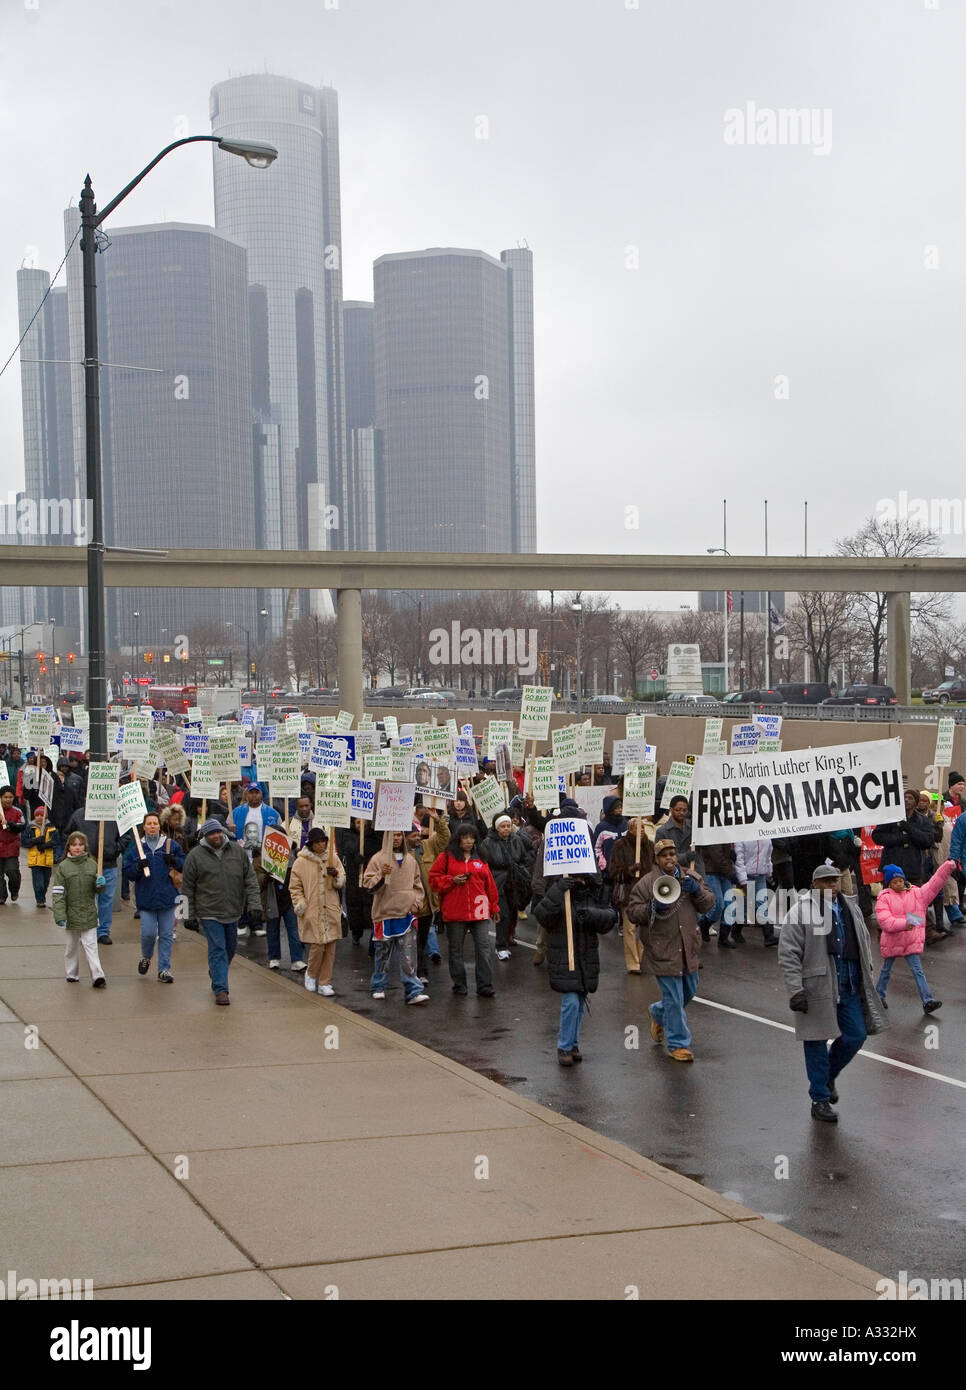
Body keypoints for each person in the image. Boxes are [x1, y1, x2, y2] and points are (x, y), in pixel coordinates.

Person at [778, 862, 888, 1123]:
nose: (832, 885)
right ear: (814, 884)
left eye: (835, 880)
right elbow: (788, 953)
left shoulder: (850, 907)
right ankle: (819, 1099)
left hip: (849, 985)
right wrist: (795, 990)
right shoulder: (800, 911)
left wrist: (868, 974)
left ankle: (827, 1078)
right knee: (815, 1041)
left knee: (856, 1035)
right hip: (816, 987)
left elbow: (863, 942)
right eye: (826, 881)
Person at [626, 838, 714, 1062]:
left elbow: (709, 904)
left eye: (672, 854)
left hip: (687, 948)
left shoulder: (690, 877)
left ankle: (658, 1012)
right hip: (662, 949)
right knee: (674, 999)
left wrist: (697, 891)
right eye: (664, 855)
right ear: (657, 859)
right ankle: (678, 1044)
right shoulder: (647, 883)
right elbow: (633, 912)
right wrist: (652, 907)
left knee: (688, 991)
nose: (669, 858)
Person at [534, 872, 617, 1066]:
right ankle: (564, 1046)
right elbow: (542, 915)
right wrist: (558, 890)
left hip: (586, 958)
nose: (578, 879)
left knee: (579, 1003)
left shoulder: (593, 892)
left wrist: (591, 915)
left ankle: (573, 1043)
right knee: (571, 1002)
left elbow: (610, 917)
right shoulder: (558, 890)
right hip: (565, 957)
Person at [182, 817, 262, 1006]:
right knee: (217, 948)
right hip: (208, 912)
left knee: (230, 948)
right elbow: (186, 888)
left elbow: (250, 880)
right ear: (205, 836)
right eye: (211, 834)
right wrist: (187, 915)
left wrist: (255, 905)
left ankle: (217, 970)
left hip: (233, 910)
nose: (216, 836)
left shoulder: (237, 851)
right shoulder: (194, 856)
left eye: (218, 832)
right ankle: (221, 989)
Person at [429, 824, 499, 997]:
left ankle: (485, 985)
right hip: (455, 912)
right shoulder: (446, 857)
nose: (469, 841)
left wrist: (494, 907)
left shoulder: (481, 857)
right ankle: (459, 985)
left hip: (479, 911)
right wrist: (451, 880)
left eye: (472, 837)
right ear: (458, 839)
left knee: (483, 949)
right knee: (456, 951)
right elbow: (433, 879)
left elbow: (489, 885)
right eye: (465, 837)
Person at [874, 861, 952, 1014]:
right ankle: (879, 995)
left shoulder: (916, 893)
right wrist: (905, 924)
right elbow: (885, 921)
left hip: (910, 941)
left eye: (900, 880)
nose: (899, 884)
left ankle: (927, 1001)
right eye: (895, 881)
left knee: (918, 972)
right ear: (888, 884)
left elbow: (934, 884)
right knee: (886, 971)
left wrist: (948, 866)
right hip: (892, 941)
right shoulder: (884, 898)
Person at [362, 831, 429, 1004]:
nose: (397, 838)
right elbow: (368, 885)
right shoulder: (378, 859)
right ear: (387, 836)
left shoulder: (411, 860)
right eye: (393, 835)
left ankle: (413, 990)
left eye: (399, 835)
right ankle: (378, 986)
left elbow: (418, 885)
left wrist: (416, 903)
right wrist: (381, 874)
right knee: (382, 954)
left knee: (408, 955)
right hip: (384, 914)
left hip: (406, 914)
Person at [123, 812, 185, 984]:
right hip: (146, 899)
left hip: (167, 898)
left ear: (159, 826)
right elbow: (127, 872)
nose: (152, 826)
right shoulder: (137, 848)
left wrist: (173, 860)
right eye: (149, 823)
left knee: (166, 935)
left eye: (155, 823)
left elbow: (184, 863)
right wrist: (137, 867)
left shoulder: (170, 845)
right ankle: (146, 956)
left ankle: (164, 969)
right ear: (144, 827)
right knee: (148, 933)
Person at [289, 828, 345, 995]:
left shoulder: (332, 858)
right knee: (318, 945)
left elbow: (342, 878)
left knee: (331, 946)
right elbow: (295, 887)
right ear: (311, 844)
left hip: (330, 907)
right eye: (318, 842)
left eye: (324, 841)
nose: (321, 844)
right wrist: (301, 904)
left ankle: (324, 982)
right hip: (312, 908)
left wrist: (336, 875)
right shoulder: (300, 862)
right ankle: (311, 974)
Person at [63, 806, 129, 945]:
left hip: (108, 865)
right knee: (86, 899)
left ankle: (103, 932)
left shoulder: (115, 814)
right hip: (85, 865)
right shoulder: (79, 815)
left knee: (106, 900)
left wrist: (115, 849)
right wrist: (78, 851)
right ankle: (85, 930)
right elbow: (67, 835)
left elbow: (126, 834)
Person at [50, 831, 107, 987]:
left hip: (89, 912)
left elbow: (98, 890)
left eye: (80, 844)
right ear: (69, 846)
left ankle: (98, 975)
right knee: (71, 947)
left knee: (91, 946)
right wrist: (59, 915)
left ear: (85, 846)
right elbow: (58, 893)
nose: (77, 847)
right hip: (71, 914)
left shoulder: (93, 864)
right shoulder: (63, 867)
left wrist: (100, 884)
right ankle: (72, 973)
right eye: (74, 845)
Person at [479, 811, 534, 959]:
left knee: (513, 912)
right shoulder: (487, 843)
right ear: (497, 828)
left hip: (515, 882)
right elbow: (483, 864)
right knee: (502, 914)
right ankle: (501, 946)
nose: (506, 829)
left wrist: (523, 870)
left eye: (508, 826)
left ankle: (509, 936)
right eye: (503, 826)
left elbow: (524, 858)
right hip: (498, 883)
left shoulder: (516, 840)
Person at [231, 785, 280, 938]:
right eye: (251, 793)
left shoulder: (272, 813)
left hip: (261, 859)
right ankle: (241, 922)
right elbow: (227, 830)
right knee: (241, 889)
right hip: (241, 857)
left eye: (256, 792)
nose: (254, 796)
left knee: (259, 890)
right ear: (246, 794)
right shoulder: (236, 812)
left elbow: (280, 833)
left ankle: (257, 924)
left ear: (261, 794)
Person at [407, 809, 451, 979]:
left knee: (422, 938)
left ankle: (420, 969)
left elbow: (444, 837)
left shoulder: (428, 846)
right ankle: (418, 971)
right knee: (409, 940)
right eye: (413, 836)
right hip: (409, 904)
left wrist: (438, 820)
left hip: (427, 904)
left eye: (418, 835)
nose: (417, 838)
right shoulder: (401, 853)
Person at [608, 818, 655, 972]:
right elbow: (614, 871)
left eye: (642, 827)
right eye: (637, 828)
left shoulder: (650, 846)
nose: (641, 830)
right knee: (630, 929)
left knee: (646, 928)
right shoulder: (620, 845)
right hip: (629, 893)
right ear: (630, 829)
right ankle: (633, 963)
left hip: (647, 893)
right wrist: (630, 870)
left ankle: (642, 958)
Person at [734, 839, 779, 946]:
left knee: (762, 904)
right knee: (744, 907)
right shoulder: (741, 838)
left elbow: (768, 856)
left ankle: (769, 936)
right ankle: (736, 931)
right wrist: (743, 880)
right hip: (747, 876)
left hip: (760, 876)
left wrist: (769, 872)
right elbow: (739, 860)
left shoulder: (766, 838)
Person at [698, 841, 738, 946]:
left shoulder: (725, 835)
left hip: (724, 872)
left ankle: (724, 938)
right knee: (717, 905)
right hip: (712, 871)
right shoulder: (714, 835)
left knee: (729, 905)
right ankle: (704, 925)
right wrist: (731, 872)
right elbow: (717, 856)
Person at [22, 807, 57, 907]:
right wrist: (35, 840)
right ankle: (40, 900)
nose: (39, 817)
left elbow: (56, 841)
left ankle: (42, 896)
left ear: (45, 816)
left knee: (45, 882)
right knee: (38, 883)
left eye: (41, 815)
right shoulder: (30, 828)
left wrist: (46, 845)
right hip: (35, 861)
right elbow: (24, 842)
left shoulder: (52, 828)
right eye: (37, 815)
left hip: (47, 860)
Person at [654, 795, 695, 867]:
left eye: (684, 810)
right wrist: (686, 856)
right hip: (673, 870)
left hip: (695, 869)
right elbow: (662, 856)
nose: (681, 812)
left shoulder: (694, 827)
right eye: (678, 810)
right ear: (671, 809)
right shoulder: (662, 832)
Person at [0, 788, 25, 904]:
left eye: (10, 797)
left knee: (12, 872)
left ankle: (14, 890)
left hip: (11, 848)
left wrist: (10, 824)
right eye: (5, 797)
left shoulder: (17, 811)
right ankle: (2, 895)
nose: (8, 800)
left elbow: (22, 826)